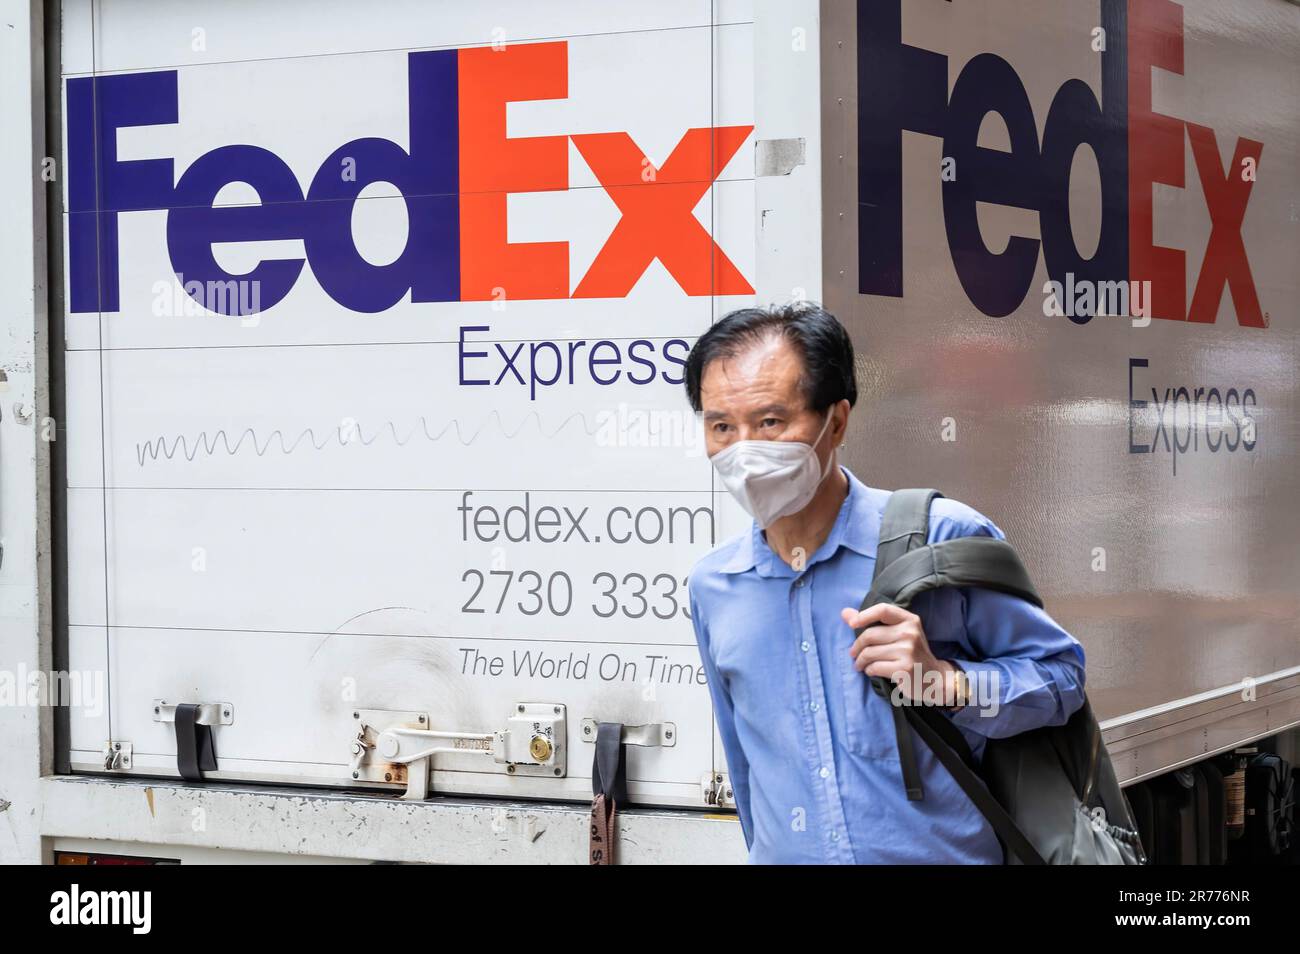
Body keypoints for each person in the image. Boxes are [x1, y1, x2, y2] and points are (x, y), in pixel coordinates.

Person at [683, 302, 1086, 863]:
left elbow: (1060, 682)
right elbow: (745, 770)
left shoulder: (943, 540)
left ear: (837, 421)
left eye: (771, 422)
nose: (745, 449)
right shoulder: (714, 587)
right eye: (721, 426)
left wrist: (947, 683)